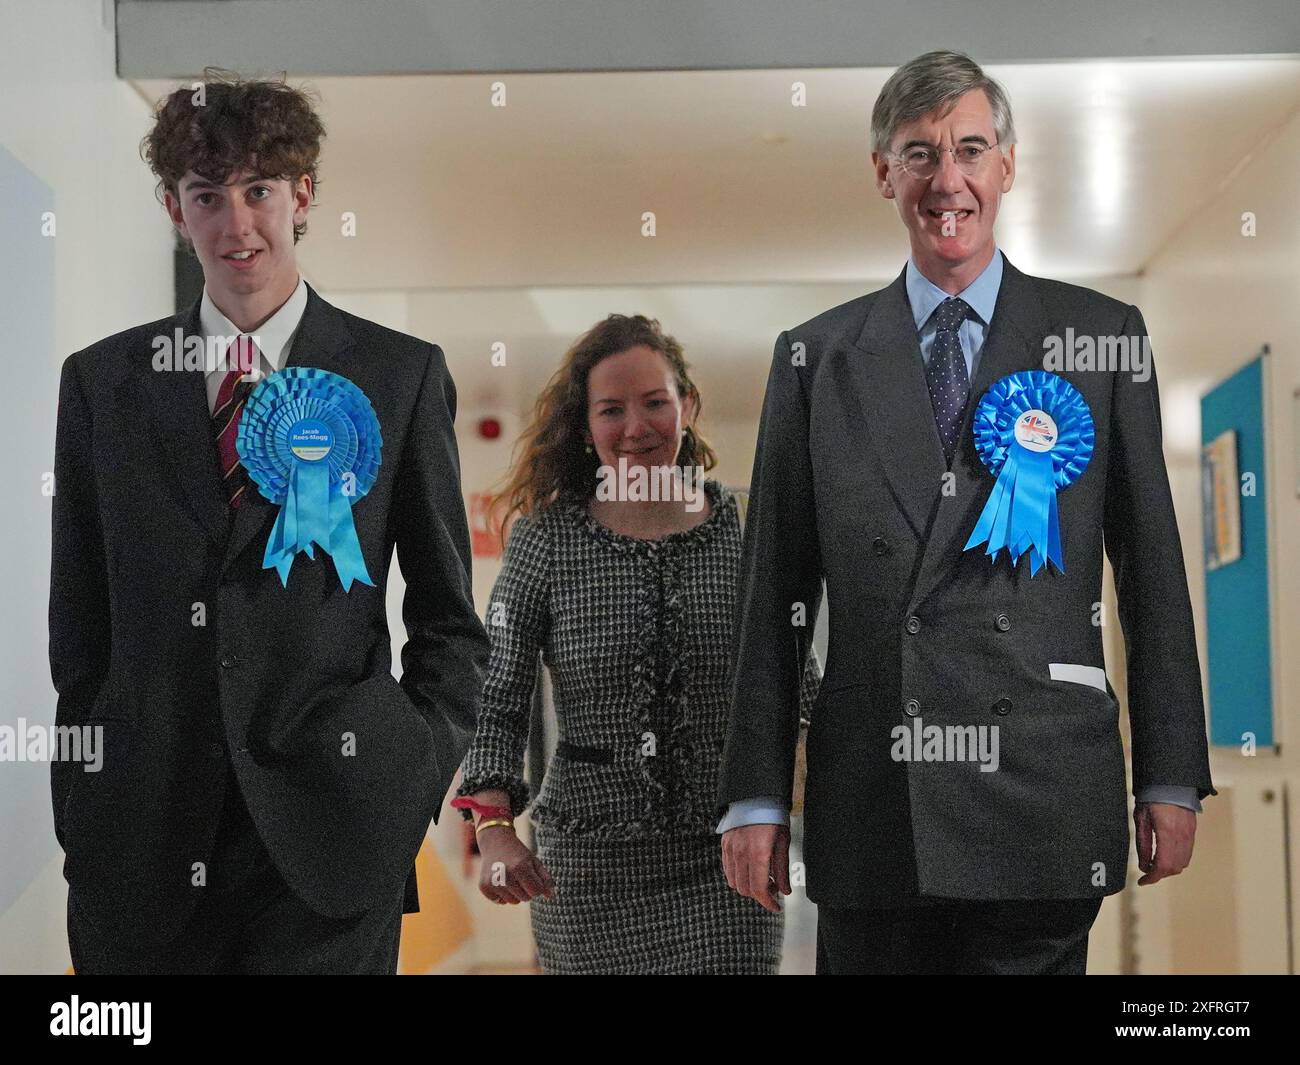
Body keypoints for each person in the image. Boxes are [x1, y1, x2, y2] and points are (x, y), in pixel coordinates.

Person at [717, 50, 1214, 975]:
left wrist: (1171, 770)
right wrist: (755, 797)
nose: (947, 180)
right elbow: (771, 595)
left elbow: (1153, 575)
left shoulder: (1101, 339)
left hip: (1040, 792)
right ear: (883, 173)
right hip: (875, 803)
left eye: (971, 149)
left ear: (1008, 165)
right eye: (918, 154)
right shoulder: (813, 360)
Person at [49, 71, 489, 973]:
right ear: (175, 208)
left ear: (304, 195)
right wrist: (85, 786)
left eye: (259, 191)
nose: (237, 225)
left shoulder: (397, 375)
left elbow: (449, 617)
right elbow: (78, 624)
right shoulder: (103, 385)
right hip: (142, 839)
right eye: (208, 197)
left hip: (334, 838)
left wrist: (407, 767)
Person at [454, 314, 819, 974]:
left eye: (655, 402)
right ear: (586, 423)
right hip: (587, 875)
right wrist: (495, 830)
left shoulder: (747, 537)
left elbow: (799, 686)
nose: (634, 427)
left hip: (728, 864)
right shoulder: (547, 539)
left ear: (687, 405)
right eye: (611, 409)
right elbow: (498, 691)